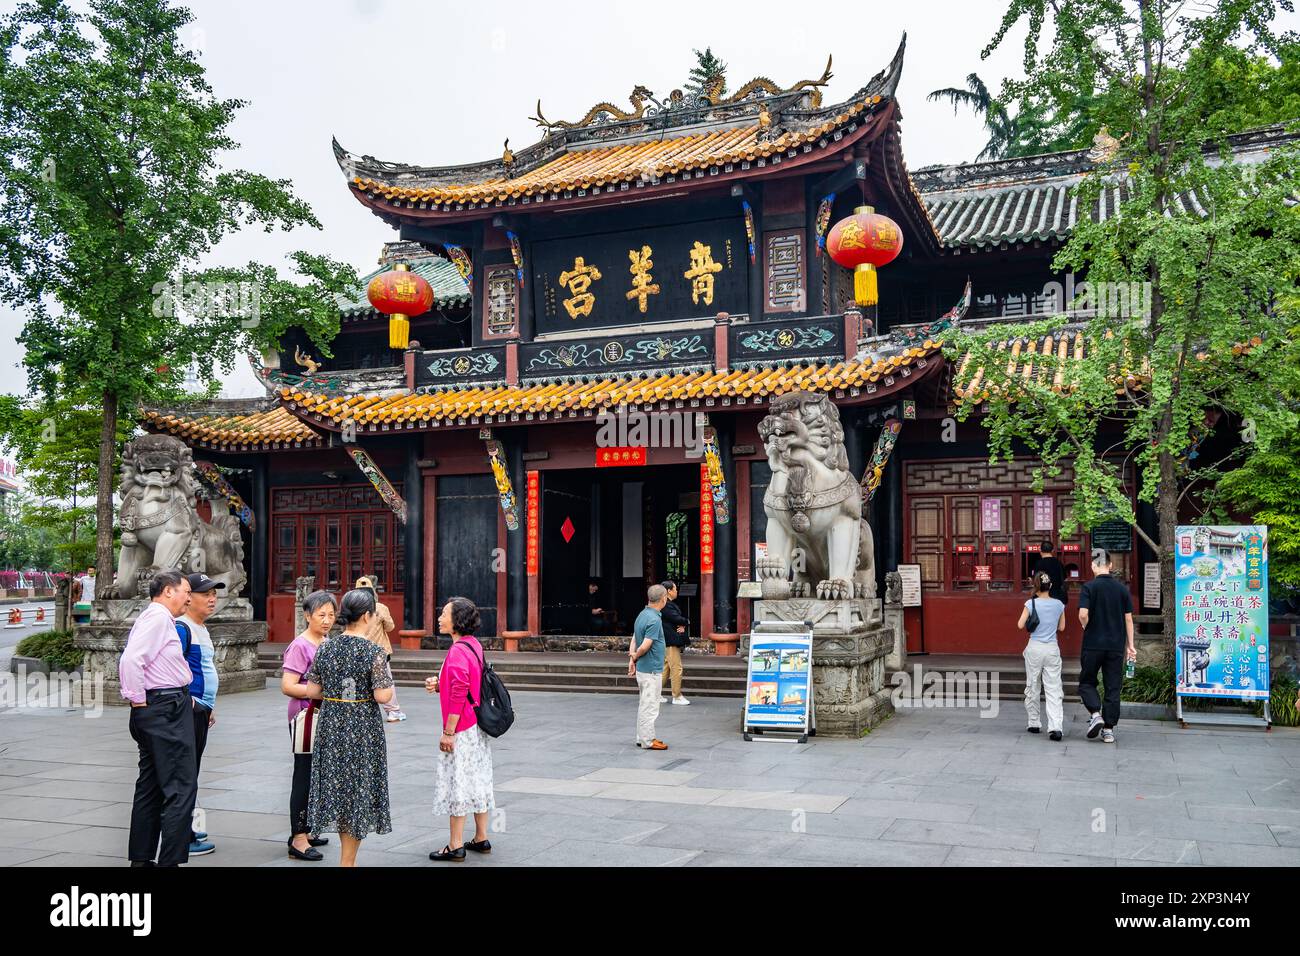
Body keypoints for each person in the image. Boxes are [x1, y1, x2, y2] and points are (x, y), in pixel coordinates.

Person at [304, 587, 395, 867]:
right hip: (361, 727)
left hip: (332, 724)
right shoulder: (373, 651)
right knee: (358, 788)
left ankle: (347, 860)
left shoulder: (326, 647)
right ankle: (347, 862)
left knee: (336, 785)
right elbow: (382, 696)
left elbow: (312, 690)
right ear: (367, 616)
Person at [119, 570, 196, 867]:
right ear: (167, 591)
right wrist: (138, 699)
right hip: (162, 708)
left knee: (150, 786)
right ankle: (169, 862)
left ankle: (141, 859)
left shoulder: (158, 618)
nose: (188, 597)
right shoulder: (158, 617)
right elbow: (130, 660)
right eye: (185, 591)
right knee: (180, 787)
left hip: (160, 706)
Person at [424, 596, 496, 862]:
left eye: (444, 613)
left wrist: (449, 732)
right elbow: (466, 682)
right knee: (479, 778)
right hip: (477, 727)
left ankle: (455, 845)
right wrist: (440, 683)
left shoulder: (456, 650)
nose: (440, 617)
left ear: (457, 621)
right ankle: (481, 836)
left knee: (459, 783)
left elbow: (459, 690)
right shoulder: (474, 645)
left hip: (462, 727)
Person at [281, 589, 335, 862]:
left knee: (317, 776)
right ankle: (298, 838)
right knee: (303, 776)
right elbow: (287, 686)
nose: (327, 620)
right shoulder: (300, 645)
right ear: (307, 615)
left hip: (323, 717)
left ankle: (309, 828)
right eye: (321, 614)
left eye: (331, 614)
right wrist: (321, 692)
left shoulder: (326, 641)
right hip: (306, 718)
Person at [177, 573, 223, 856]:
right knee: (185, 774)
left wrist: (207, 705)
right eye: (205, 593)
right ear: (188, 597)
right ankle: (183, 836)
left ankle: (185, 828)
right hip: (188, 711)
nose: (212, 598)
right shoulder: (182, 628)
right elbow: (172, 672)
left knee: (191, 772)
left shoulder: (200, 627)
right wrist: (191, 703)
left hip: (200, 710)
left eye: (214, 594)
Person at [1078, 548, 1136, 744]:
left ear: (1093, 566)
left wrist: (1086, 625)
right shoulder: (1122, 590)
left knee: (1087, 682)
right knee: (1112, 686)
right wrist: (1131, 645)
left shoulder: (1089, 587)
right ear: (1111, 565)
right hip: (1115, 646)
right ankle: (1109, 730)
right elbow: (1129, 620)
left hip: (1093, 644)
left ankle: (1096, 714)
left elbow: (1083, 614)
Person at [1018, 570, 1066, 740]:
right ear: (1050, 586)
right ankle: (1055, 727)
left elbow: (1020, 624)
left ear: (1035, 586)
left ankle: (1034, 722)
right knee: (1053, 687)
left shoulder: (1030, 604)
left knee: (1033, 684)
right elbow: (1061, 628)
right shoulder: (1059, 604)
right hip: (1052, 648)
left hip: (1035, 648)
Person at [355, 575, 405, 723]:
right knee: (385, 681)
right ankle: (393, 711)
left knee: (358, 680)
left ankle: (356, 709)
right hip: (380, 652)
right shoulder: (380, 608)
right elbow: (390, 627)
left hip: (359, 651)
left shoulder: (354, 609)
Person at [628, 584, 668, 751]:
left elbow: (634, 639)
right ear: (663, 598)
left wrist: (632, 658)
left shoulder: (642, 614)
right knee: (650, 707)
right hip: (651, 669)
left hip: (643, 668)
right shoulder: (654, 619)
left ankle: (641, 737)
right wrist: (636, 656)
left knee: (644, 704)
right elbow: (645, 645)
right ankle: (648, 740)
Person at [660, 580, 690, 706]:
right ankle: (676, 696)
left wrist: (682, 624)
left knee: (665, 668)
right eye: (675, 589)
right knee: (676, 668)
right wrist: (685, 621)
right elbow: (675, 618)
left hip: (667, 639)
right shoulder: (665, 604)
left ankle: (654, 694)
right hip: (670, 639)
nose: (676, 591)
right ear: (668, 591)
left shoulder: (665, 603)